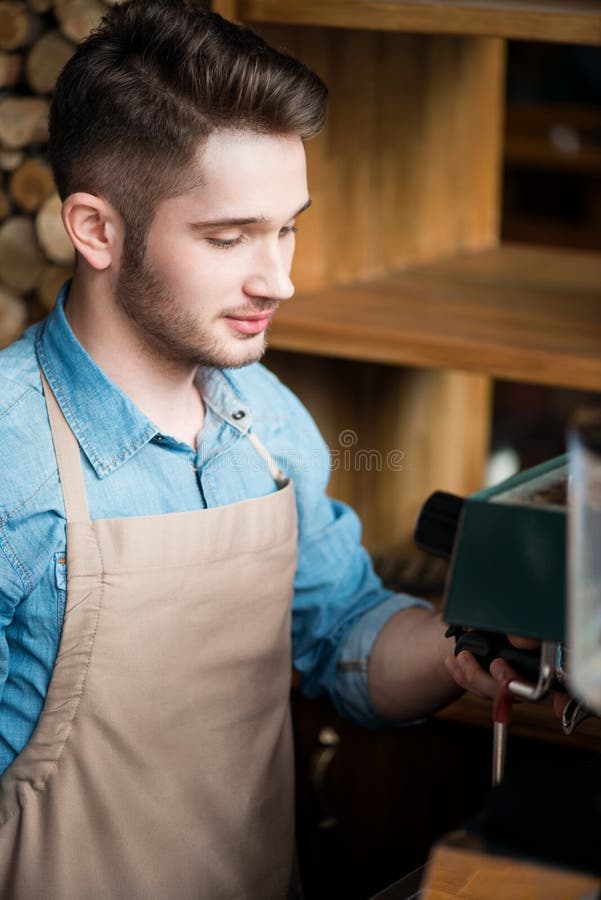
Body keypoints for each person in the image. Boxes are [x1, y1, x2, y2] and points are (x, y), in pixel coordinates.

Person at [0, 2, 508, 897]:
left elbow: (345, 635)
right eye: (229, 238)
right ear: (95, 230)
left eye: (288, 227)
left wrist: (462, 647)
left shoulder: (265, 421)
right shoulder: (10, 466)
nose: (279, 278)